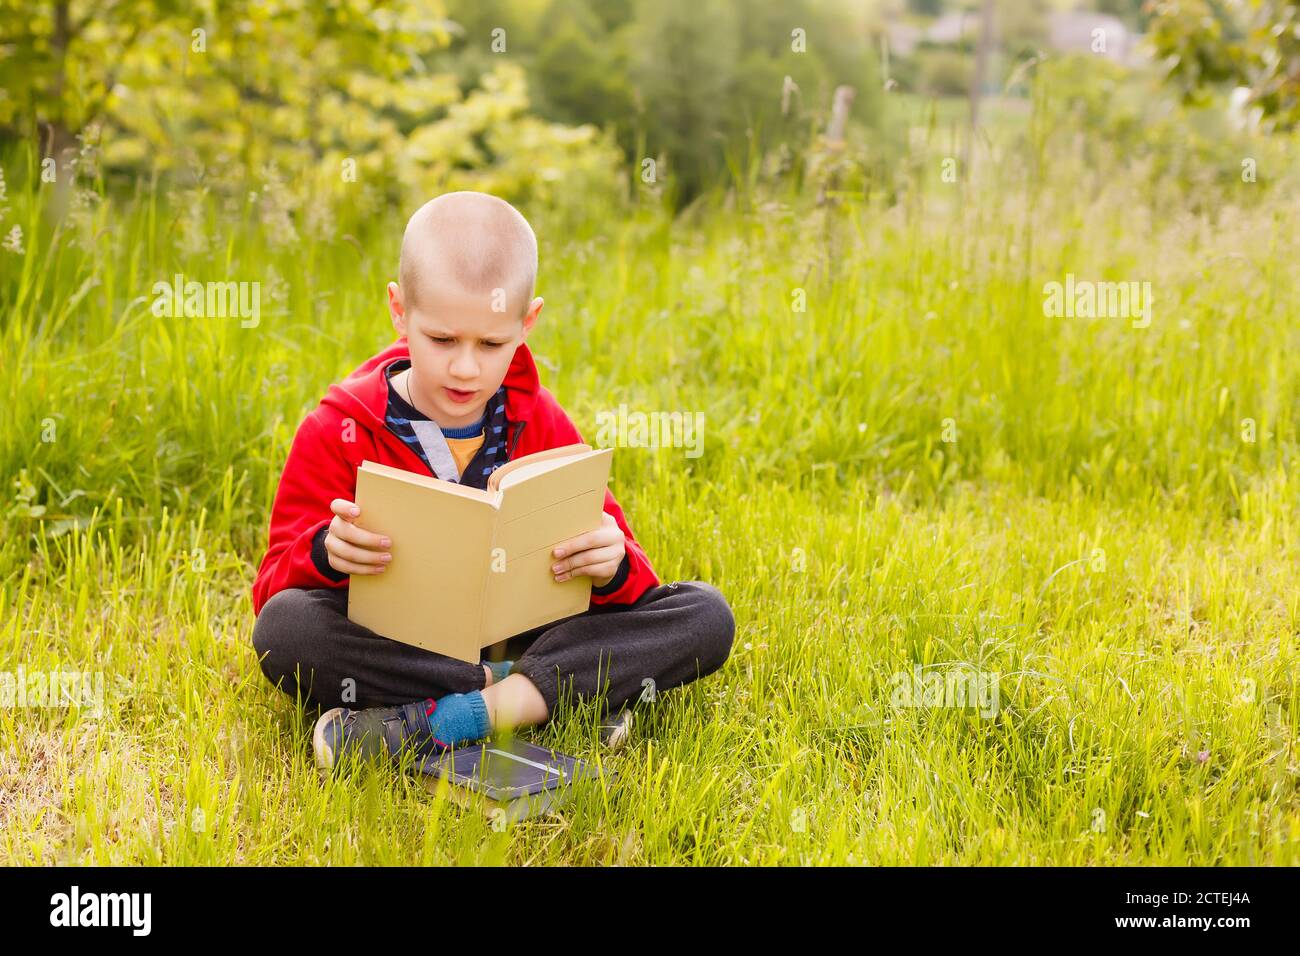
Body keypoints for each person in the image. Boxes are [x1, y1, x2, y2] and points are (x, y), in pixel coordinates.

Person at [249, 191, 735, 772]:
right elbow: (271, 590)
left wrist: (613, 562)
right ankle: (543, 696)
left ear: (527, 323)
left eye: (492, 344)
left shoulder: (543, 420)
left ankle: (446, 719)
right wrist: (326, 553)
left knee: (706, 615)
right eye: (442, 339)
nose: (465, 368)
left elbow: (635, 585)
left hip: (530, 635)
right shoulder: (338, 428)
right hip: (405, 645)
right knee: (286, 631)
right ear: (399, 311)